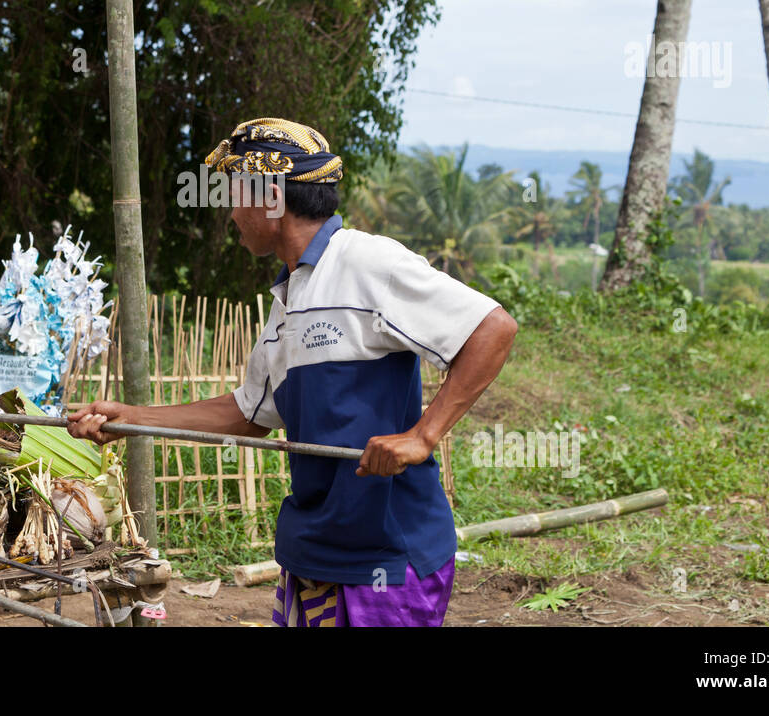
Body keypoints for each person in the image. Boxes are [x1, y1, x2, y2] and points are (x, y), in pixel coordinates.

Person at [68, 118, 517, 626]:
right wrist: (130, 416)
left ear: (271, 199)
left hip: (386, 557)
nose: (232, 215)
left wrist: (422, 435)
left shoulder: (367, 263)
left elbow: (492, 329)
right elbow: (248, 414)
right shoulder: (290, 298)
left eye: (237, 197)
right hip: (318, 551)